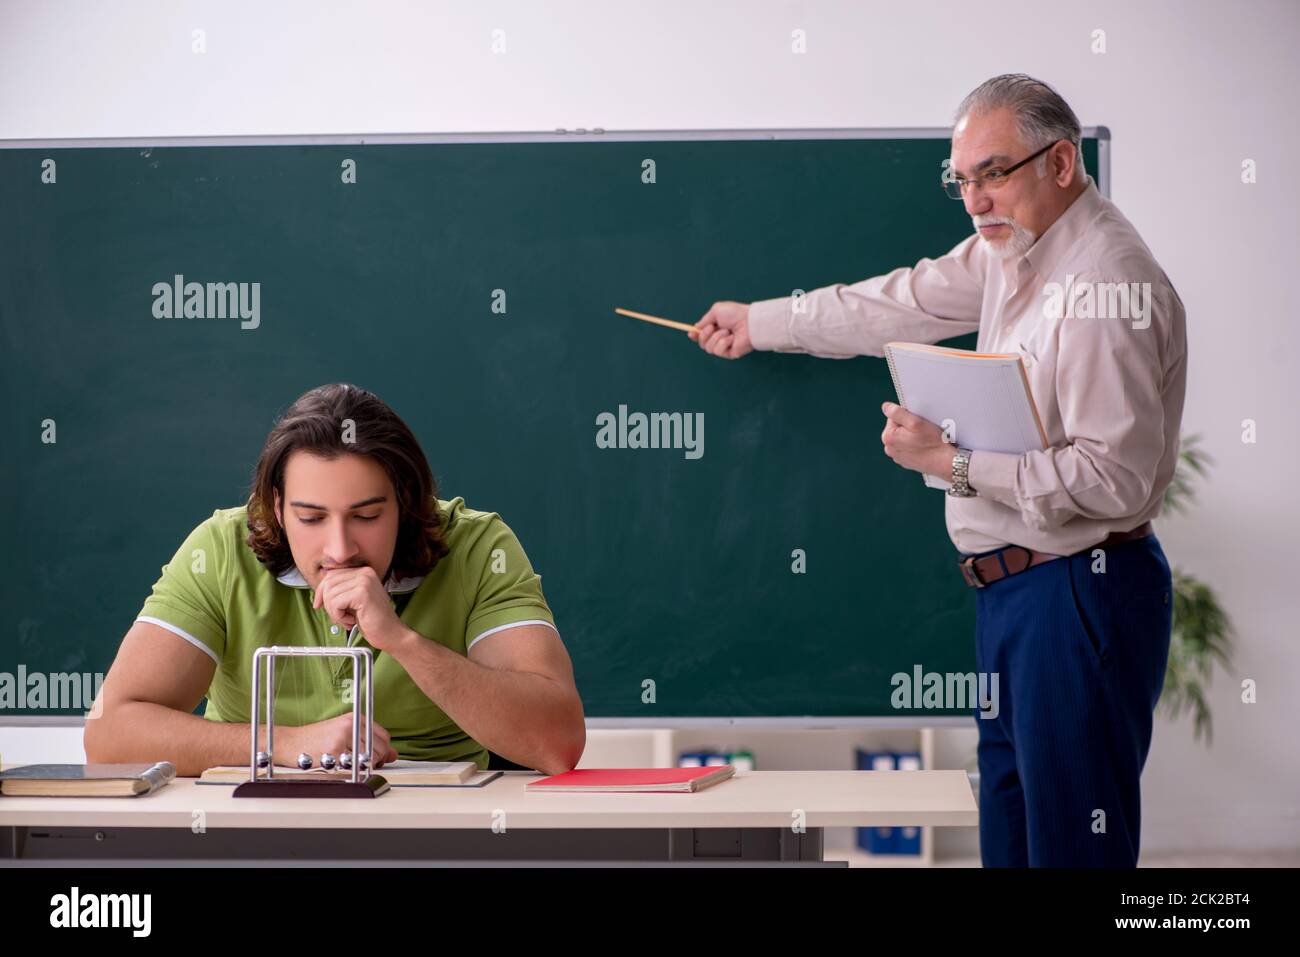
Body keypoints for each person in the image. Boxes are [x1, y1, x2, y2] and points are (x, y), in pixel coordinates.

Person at [691, 74, 1186, 867]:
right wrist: (763, 322)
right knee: (1014, 840)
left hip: (1077, 590)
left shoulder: (1101, 286)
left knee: (1069, 852)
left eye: (994, 172)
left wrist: (952, 462)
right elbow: (901, 303)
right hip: (1015, 596)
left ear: (1062, 163)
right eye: (962, 181)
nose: (975, 199)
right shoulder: (1013, 246)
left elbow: (1114, 480)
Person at [86, 383, 585, 777]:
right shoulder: (219, 550)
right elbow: (108, 737)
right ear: (277, 508)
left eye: (366, 516)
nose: (340, 549)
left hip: (434, 835)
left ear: (406, 505)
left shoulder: (479, 549)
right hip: (249, 833)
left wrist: (401, 640)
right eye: (311, 518)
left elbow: (558, 744)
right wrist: (284, 744)